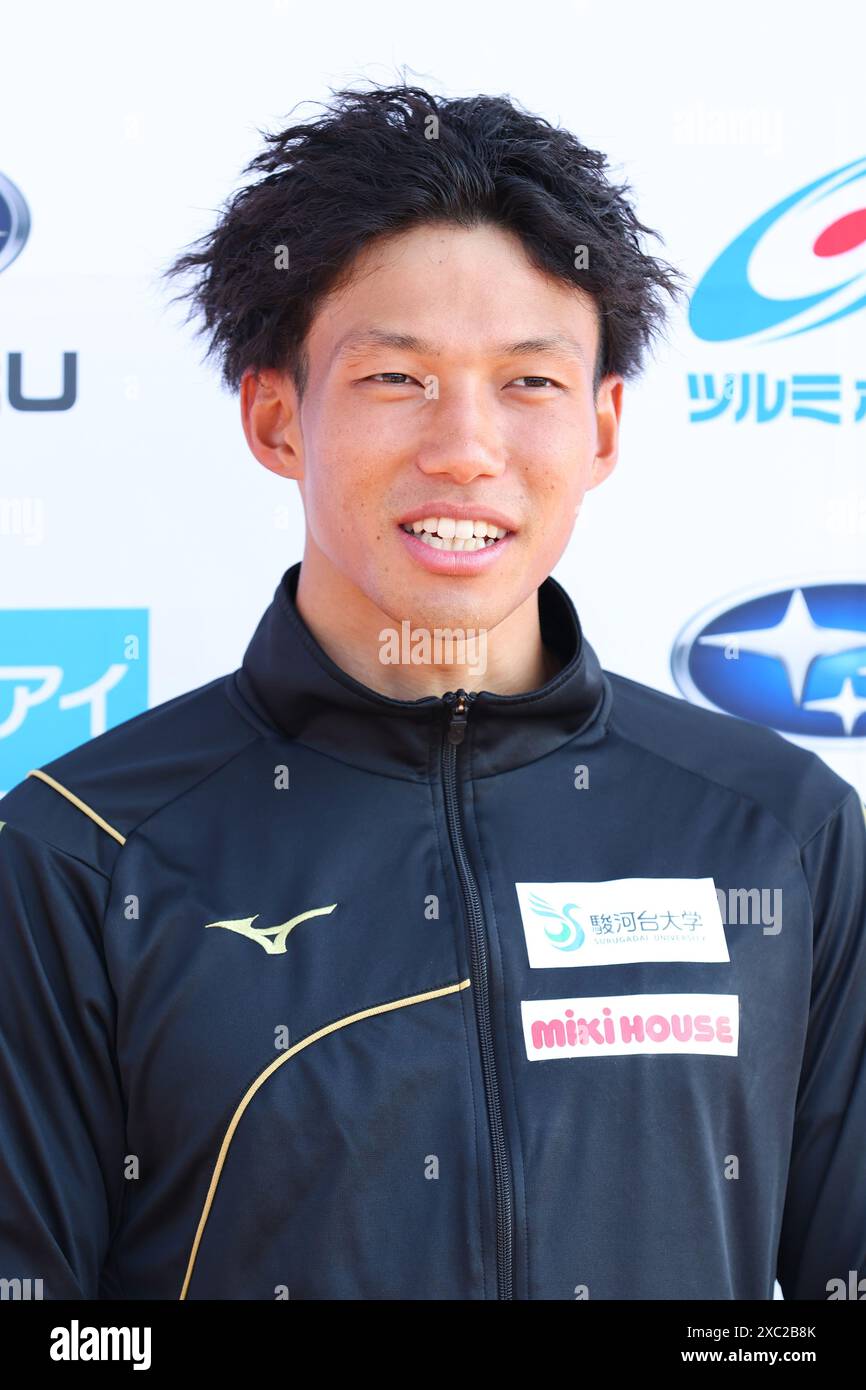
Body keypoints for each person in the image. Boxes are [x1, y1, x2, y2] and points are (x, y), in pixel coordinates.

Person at [1, 82, 863, 1302]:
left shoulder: (779, 828)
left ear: (604, 429)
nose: (466, 446)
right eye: (396, 379)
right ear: (272, 414)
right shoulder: (78, 852)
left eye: (530, 382)